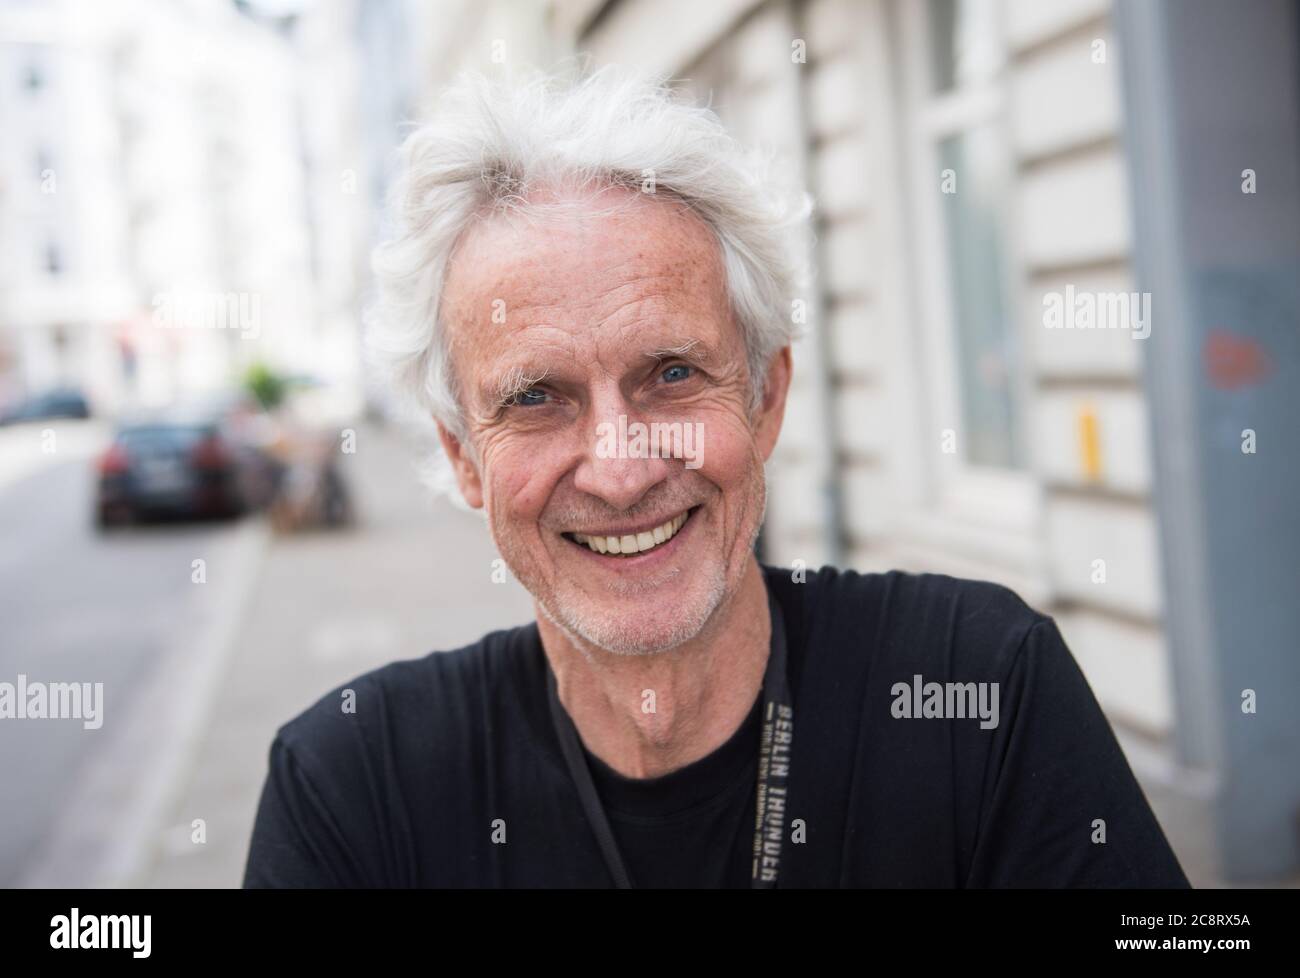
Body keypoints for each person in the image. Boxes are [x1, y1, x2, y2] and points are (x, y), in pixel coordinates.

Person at [243, 67, 1189, 889]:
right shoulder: (353, 788)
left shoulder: (981, 689)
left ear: (767, 399)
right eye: (537, 397)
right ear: (462, 456)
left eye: (672, 374)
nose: (619, 472)